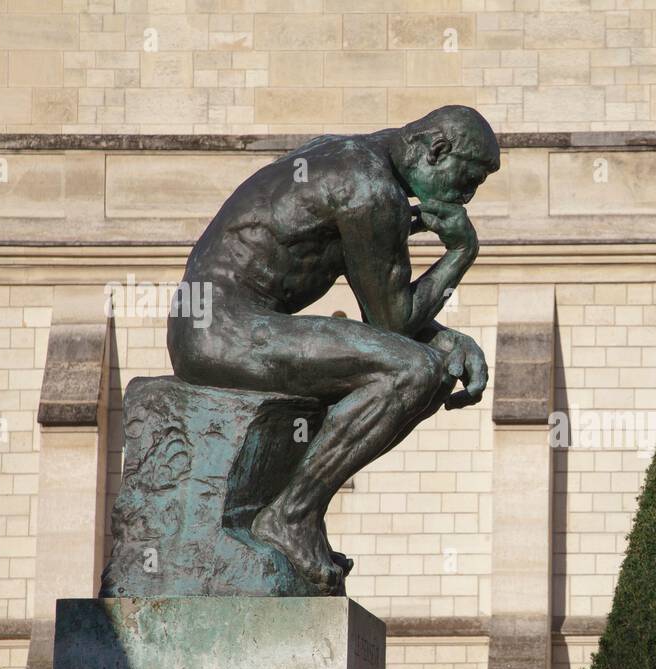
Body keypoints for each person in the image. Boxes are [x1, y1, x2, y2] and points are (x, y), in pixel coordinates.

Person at [166, 105, 499, 593]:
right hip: (222, 329)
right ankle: (291, 516)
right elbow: (394, 322)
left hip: (227, 323)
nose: (465, 197)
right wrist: (460, 252)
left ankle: (294, 510)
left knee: (430, 365)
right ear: (436, 150)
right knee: (412, 371)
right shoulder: (368, 186)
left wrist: (447, 340)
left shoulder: (351, 158)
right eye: (466, 180)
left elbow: (385, 311)